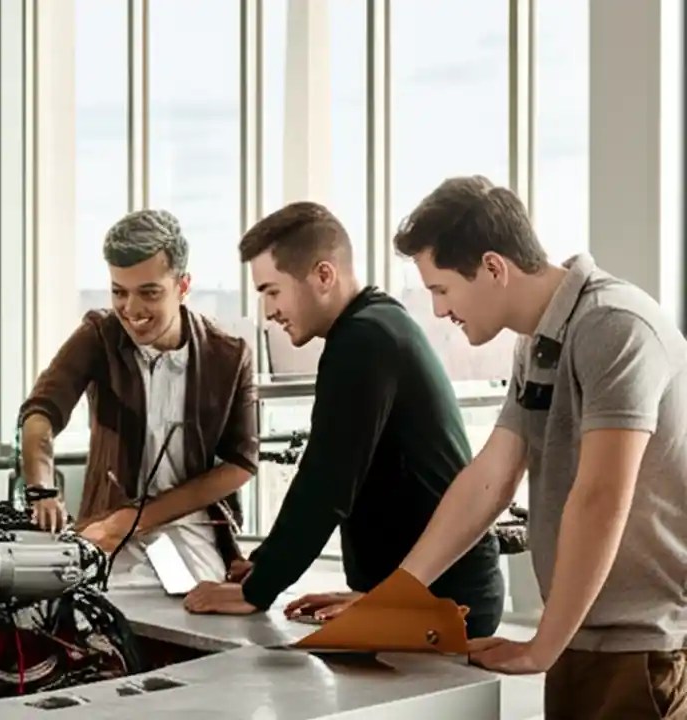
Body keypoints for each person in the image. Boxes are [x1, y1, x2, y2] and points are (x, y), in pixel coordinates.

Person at [390, 176, 687, 717]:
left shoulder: (613, 325)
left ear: (494, 268)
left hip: (643, 649)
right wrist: (395, 597)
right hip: (582, 637)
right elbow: (491, 477)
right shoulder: (539, 343)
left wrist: (541, 645)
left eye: (441, 289)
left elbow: (601, 496)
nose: (437, 311)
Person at [181, 202, 505, 638]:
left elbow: (327, 481)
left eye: (272, 291)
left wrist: (261, 587)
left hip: (446, 603)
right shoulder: (377, 323)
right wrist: (369, 594)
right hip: (429, 591)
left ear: (323, 275)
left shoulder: (364, 341)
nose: (267, 313)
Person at [19, 209, 258, 585]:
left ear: (183, 286)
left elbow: (241, 464)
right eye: (119, 292)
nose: (131, 310)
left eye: (149, 293)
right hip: (107, 528)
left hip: (190, 528)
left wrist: (136, 519)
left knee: (188, 613)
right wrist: (42, 489)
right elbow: (40, 413)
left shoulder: (229, 355)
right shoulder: (99, 335)